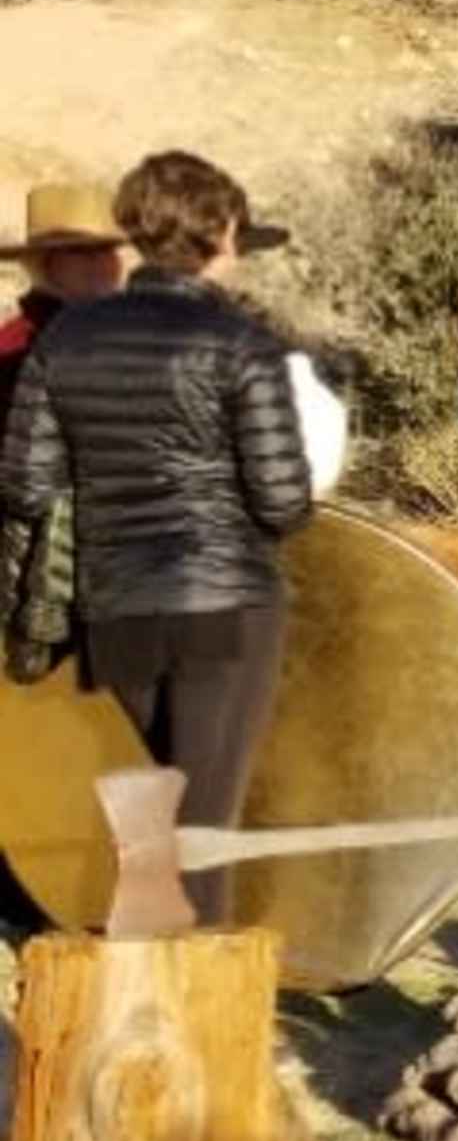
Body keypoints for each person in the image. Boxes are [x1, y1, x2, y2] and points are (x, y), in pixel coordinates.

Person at [0, 152, 313, 922]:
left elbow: (27, 485)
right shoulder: (241, 343)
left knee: (147, 812)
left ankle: (139, 990)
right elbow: (282, 502)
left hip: (115, 607)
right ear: (219, 233)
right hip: (225, 604)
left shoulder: (65, 341)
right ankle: (191, 1014)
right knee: (204, 823)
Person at [0, 181, 133, 435]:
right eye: (79, 250)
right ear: (44, 263)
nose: (99, 261)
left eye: (106, 248)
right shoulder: (14, 348)